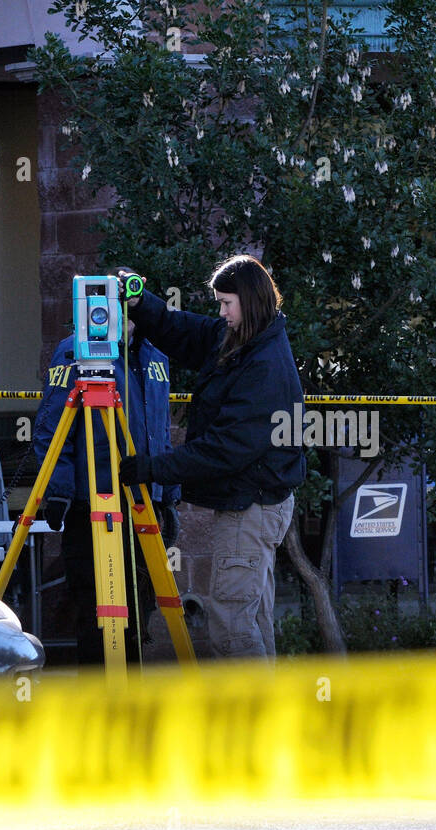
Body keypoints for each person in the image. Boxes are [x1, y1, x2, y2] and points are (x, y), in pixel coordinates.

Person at [117, 255, 305, 660]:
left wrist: (152, 468)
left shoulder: (264, 366)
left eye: (226, 303)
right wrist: (139, 300)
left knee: (232, 629)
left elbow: (224, 451)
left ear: (250, 302)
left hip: (249, 507)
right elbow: (182, 330)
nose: (221, 312)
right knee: (251, 622)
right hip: (252, 502)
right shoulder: (245, 336)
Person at [34, 305, 180, 667]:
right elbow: (54, 427)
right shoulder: (74, 353)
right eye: (119, 308)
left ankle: (130, 705)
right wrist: (59, 491)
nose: (129, 317)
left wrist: (168, 496)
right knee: (97, 613)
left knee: (137, 613)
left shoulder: (155, 354)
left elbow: (160, 433)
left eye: (136, 307)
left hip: (142, 501)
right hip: (91, 504)